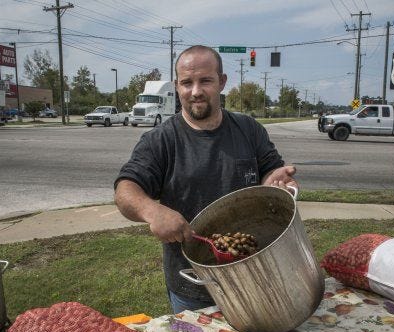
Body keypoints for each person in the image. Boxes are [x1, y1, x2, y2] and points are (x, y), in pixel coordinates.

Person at [114, 45, 298, 313]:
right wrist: (151, 211)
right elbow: (125, 189)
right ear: (177, 87)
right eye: (187, 83)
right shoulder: (160, 140)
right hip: (193, 285)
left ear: (222, 82)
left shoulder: (249, 129)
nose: (196, 91)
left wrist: (276, 181)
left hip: (255, 274)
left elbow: (271, 169)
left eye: (205, 80)